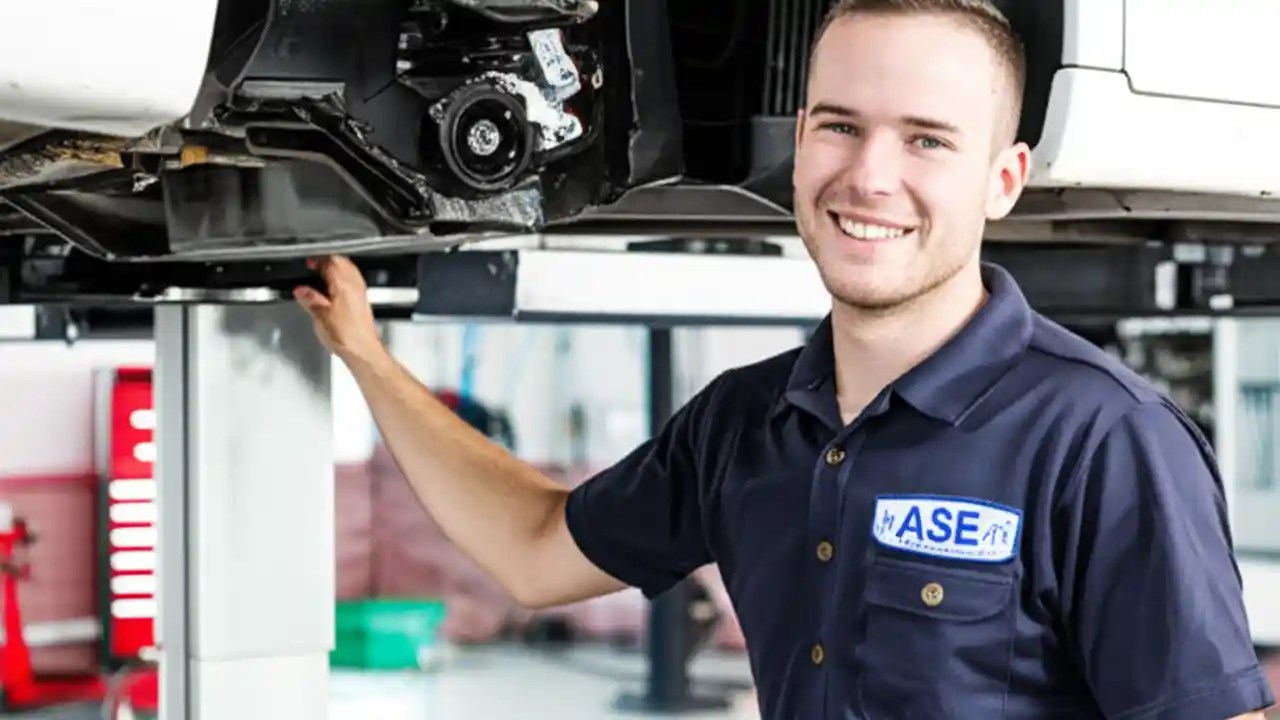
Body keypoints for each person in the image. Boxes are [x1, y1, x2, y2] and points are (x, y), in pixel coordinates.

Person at [294, 0, 1276, 717]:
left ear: (1002, 178)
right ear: (800, 139)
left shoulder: (1101, 442)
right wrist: (368, 361)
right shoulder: (744, 423)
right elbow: (535, 550)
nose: (868, 176)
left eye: (925, 141)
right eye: (839, 126)